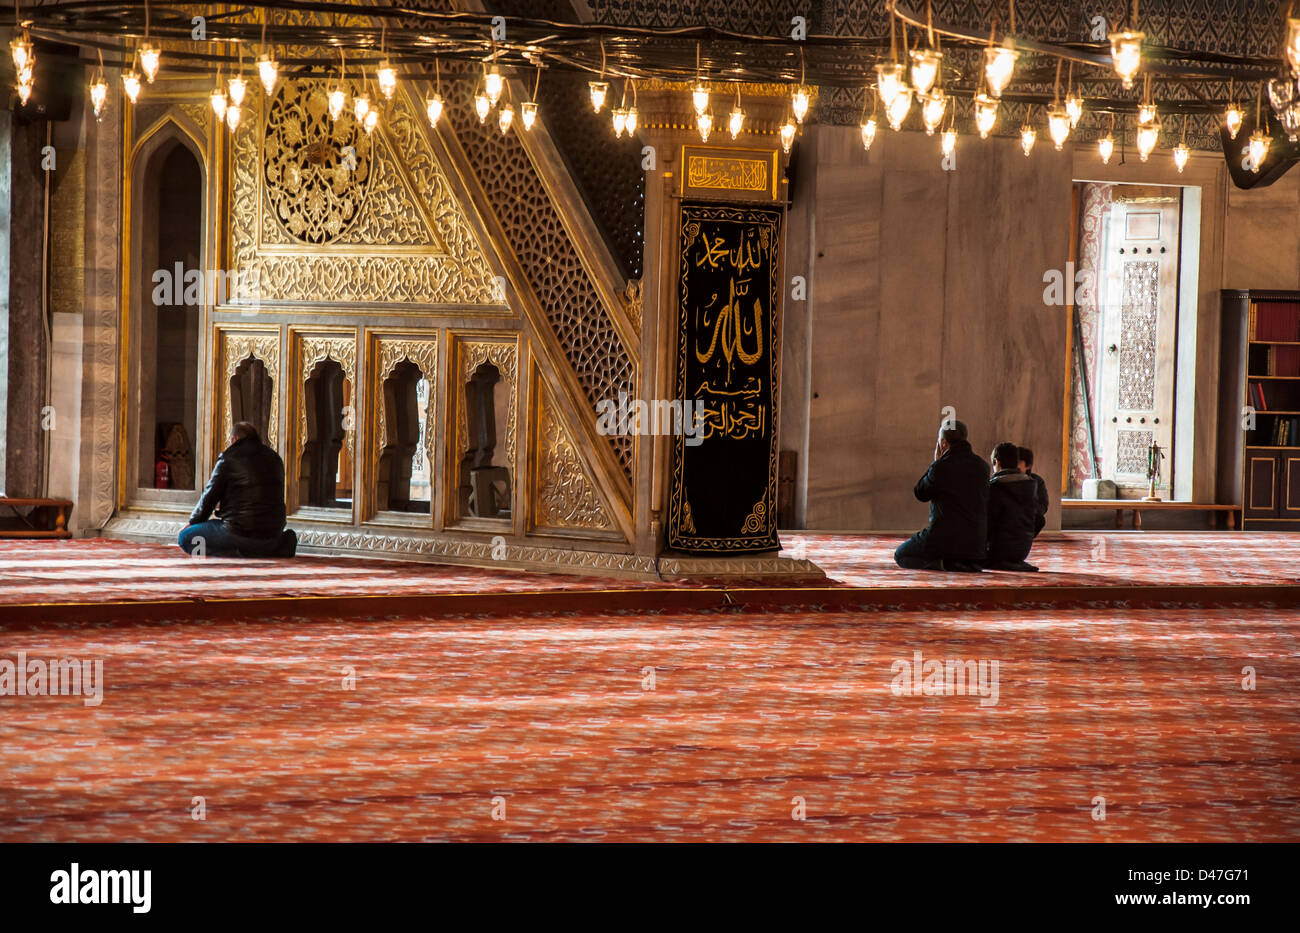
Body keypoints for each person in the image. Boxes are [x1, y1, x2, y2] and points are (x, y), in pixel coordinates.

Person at [179, 422, 297, 558]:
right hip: (271, 533)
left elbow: (208, 498)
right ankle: (267, 549)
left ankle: (237, 552)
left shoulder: (228, 458)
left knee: (186, 537)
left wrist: (192, 523)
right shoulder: (275, 458)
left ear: (234, 439)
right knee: (287, 536)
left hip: (238, 531)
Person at [894, 419, 991, 572]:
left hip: (944, 540)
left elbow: (921, 493)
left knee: (901, 555)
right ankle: (961, 562)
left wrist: (934, 463)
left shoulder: (941, 466)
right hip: (976, 544)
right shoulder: (982, 466)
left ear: (944, 443)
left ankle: (945, 564)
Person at [986, 442, 1041, 571]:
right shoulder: (1031, 485)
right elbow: (1040, 519)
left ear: (997, 462)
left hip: (998, 550)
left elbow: (987, 521)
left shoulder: (995, 487)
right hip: (1023, 550)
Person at [1017, 445, 1050, 535]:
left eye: (1018, 462)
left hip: (1027, 517)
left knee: (1040, 520)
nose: (1014, 465)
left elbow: (1043, 507)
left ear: (1028, 465)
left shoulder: (1037, 481)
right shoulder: (1003, 479)